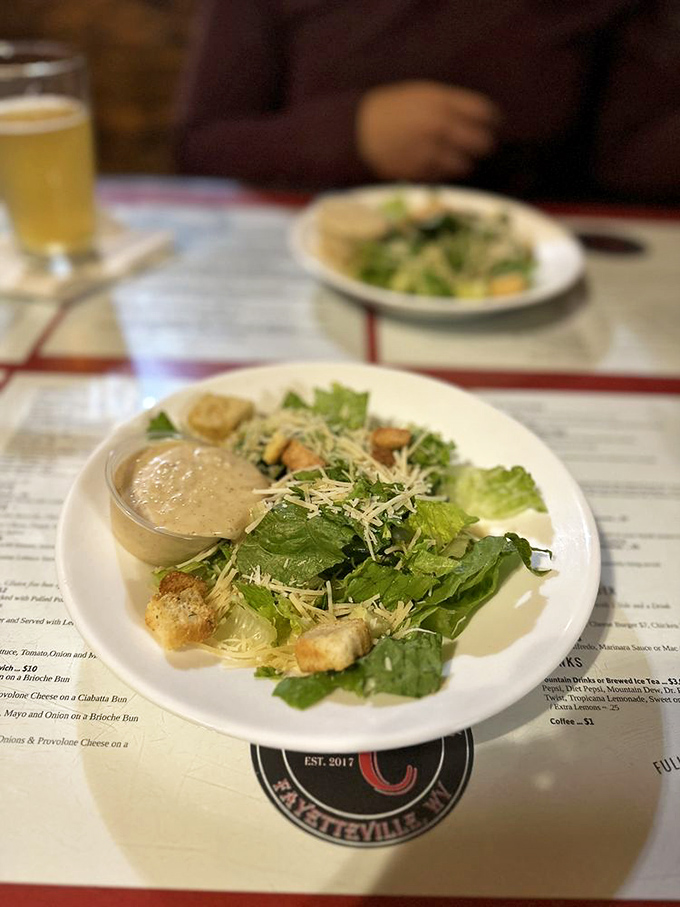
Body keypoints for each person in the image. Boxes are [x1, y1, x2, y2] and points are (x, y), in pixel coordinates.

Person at [175, 0, 680, 202]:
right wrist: (350, 135)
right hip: (298, 265)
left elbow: (631, 172)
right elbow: (199, 147)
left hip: (530, 291)